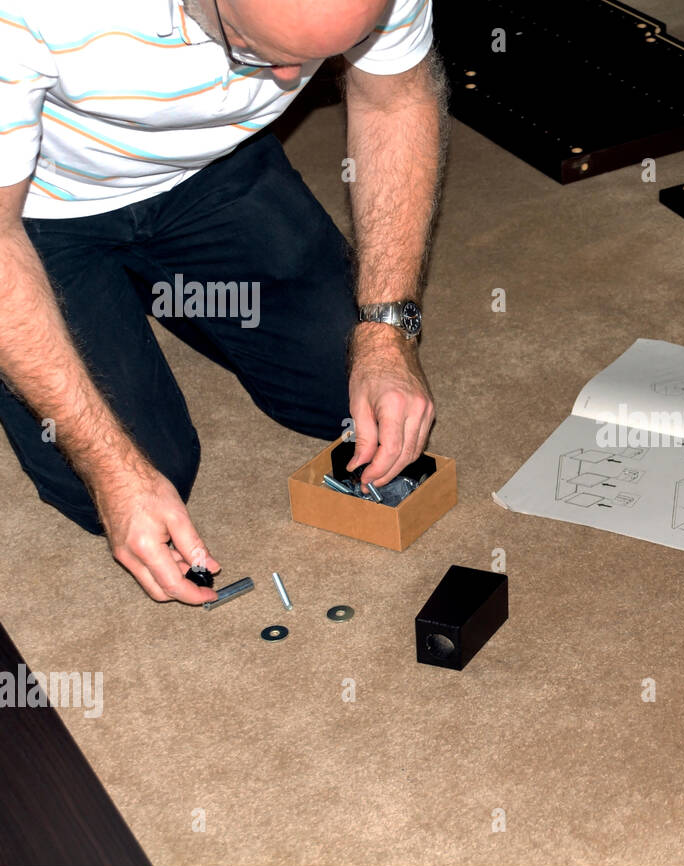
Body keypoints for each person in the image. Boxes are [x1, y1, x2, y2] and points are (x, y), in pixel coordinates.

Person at [0, 0, 443, 604]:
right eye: (253, 47)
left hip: (212, 167)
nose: (289, 80)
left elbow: (395, 99)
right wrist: (115, 473)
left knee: (344, 394)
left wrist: (387, 333)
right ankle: (103, 292)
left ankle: (151, 285)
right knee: (134, 475)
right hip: (35, 210)